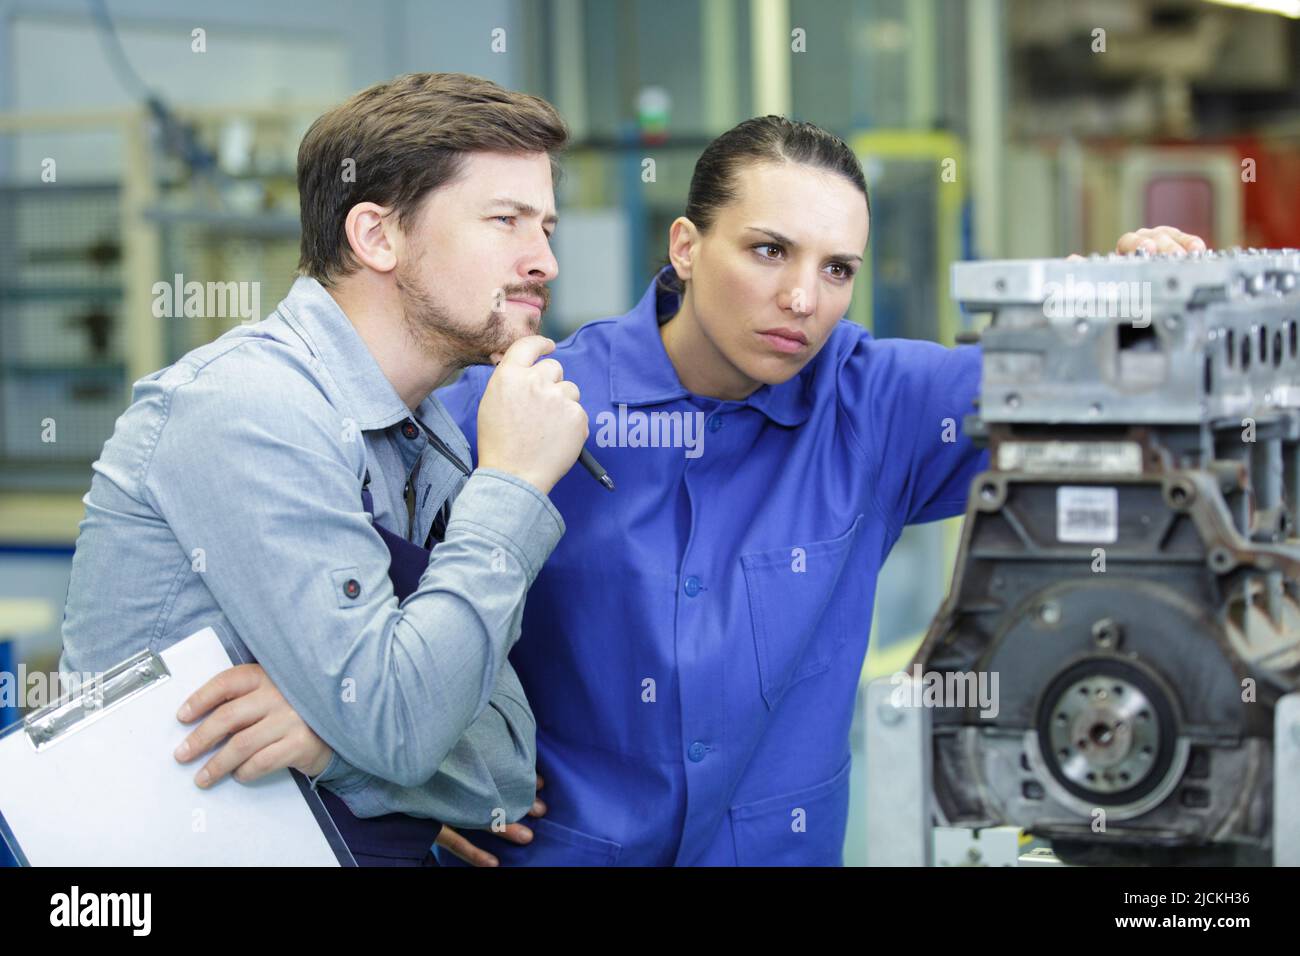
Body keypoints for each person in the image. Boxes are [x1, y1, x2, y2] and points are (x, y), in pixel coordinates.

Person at [208, 111, 1206, 865]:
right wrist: (405, 771)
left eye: (837, 268)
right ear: (687, 247)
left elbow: (1084, 387)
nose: (803, 299)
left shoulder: (881, 407)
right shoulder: (523, 405)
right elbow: (374, 623)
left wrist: (1138, 298)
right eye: (768, 250)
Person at [58, 72, 587, 866]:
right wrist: (511, 487)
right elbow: (406, 728)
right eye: (505, 220)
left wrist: (331, 746)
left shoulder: (426, 435)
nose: (543, 260)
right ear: (377, 237)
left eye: (546, 226)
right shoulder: (247, 408)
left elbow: (506, 771)